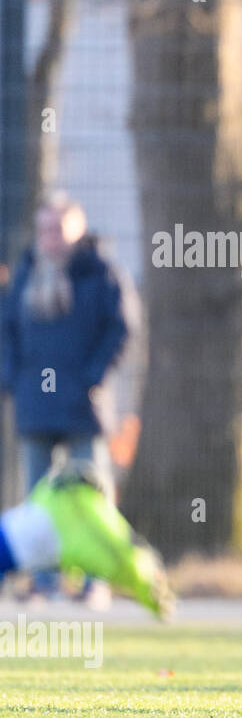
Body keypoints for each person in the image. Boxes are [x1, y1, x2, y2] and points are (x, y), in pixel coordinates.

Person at [0, 194, 129, 609]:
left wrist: (92, 376)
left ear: (76, 229)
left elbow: (120, 327)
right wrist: (12, 379)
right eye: (43, 229)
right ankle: (44, 581)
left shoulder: (100, 271)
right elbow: (7, 330)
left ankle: (97, 581)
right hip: (34, 402)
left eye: (57, 228)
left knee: (91, 495)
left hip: (82, 403)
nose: (49, 238)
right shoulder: (26, 272)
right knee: (38, 498)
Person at [0, 460, 171, 618]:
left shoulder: (53, 494)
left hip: (11, 543)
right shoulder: (83, 509)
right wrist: (146, 580)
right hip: (13, 548)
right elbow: (118, 547)